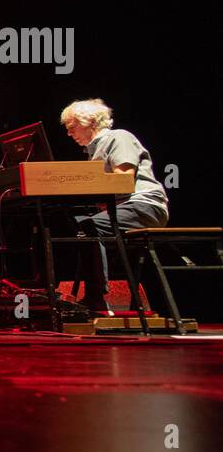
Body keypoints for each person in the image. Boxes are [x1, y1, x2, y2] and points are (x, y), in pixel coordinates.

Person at [60, 99, 168, 314]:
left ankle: (96, 297)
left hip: (144, 206)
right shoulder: (94, 151)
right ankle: (92, 296)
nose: (69, 134)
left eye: (72, 127)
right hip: (122, 208)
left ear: (88, 121)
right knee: (78, 225)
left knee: (89, 226)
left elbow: (124, 179)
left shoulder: (119, 137)